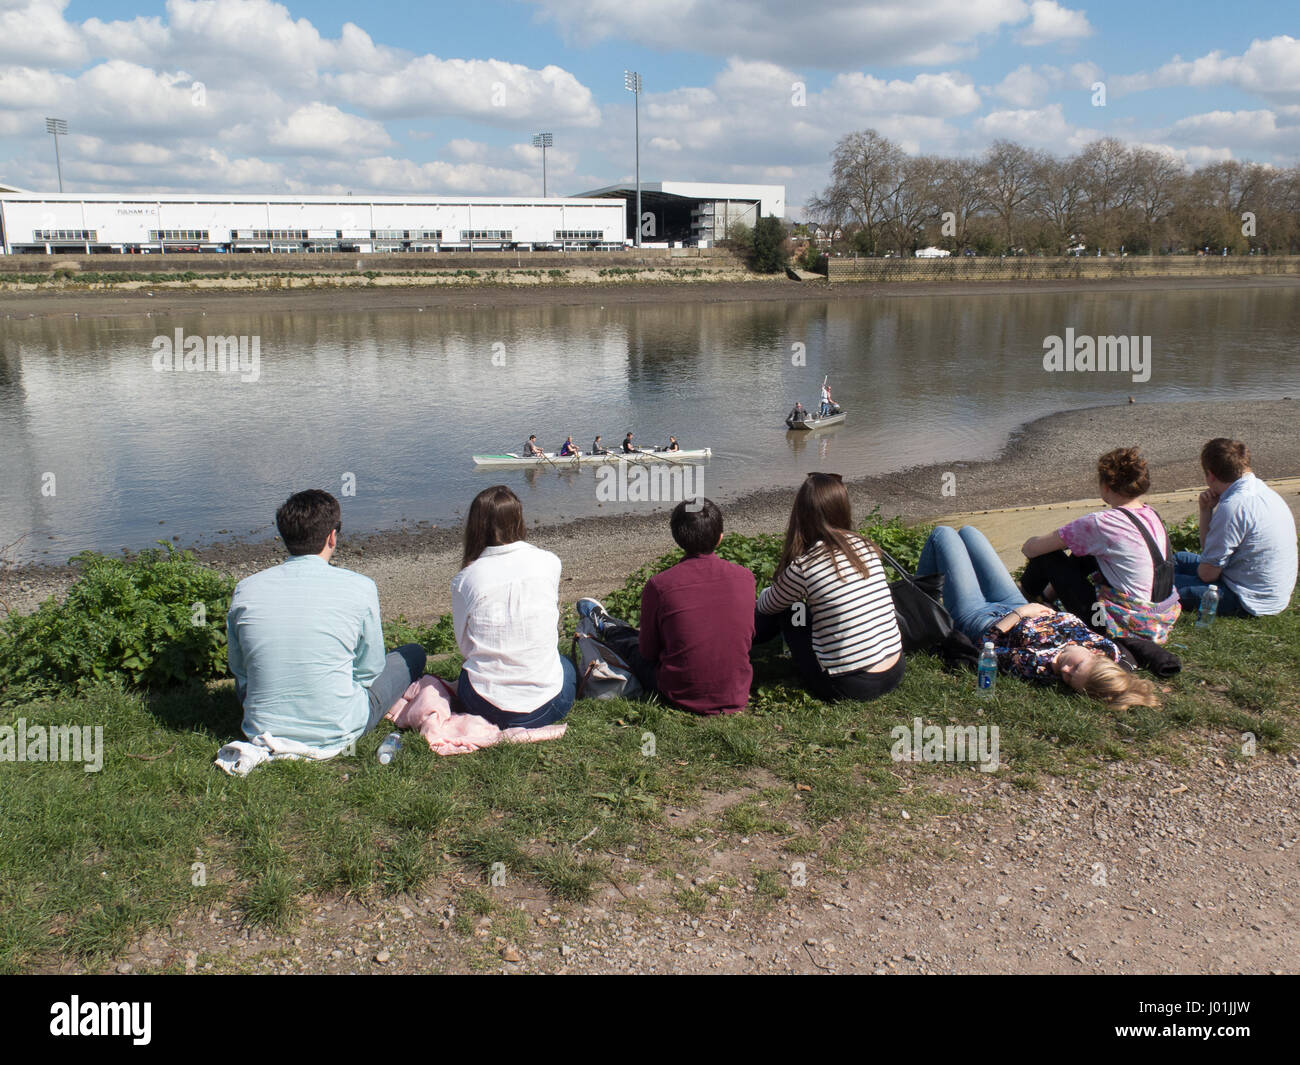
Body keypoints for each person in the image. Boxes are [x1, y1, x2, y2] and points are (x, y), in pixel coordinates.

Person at [227, 490, 426, 750]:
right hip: (340, 728)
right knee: (412, 654)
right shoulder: (360, 587)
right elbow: (370, 668)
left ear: (284, 536)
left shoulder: (246, 588)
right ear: (332, 536)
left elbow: (240, 669)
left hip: (262, 727)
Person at [917, 525, 1159, 710]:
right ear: (1095, 655)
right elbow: (1124, 667)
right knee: (970, 532)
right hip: (1015, 601)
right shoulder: (1107, 650)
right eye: (1075, 666)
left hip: (981, 619)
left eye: (1068, 677)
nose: (1065, 668)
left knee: (943, 534)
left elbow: (985, 649)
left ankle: (916, 607)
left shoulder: (1039, 667)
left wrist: (1021, 613)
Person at [576, 499, 755, 714]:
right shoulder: (745, 577)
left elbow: (648, 652)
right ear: (720, 539)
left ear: (677, 537)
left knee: (630, 643)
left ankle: (607, 625)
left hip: (679, 692)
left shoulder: (660, 585)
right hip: (735, 692)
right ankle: (609, 624)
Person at [753, 473, 904, 702]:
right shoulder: (865, 546)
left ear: (801, 514)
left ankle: (741, 643)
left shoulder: (805, 565)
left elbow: (766, 606)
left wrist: (776, 587)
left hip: (850, 685)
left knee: (790, 609)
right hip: (894, 668)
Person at [1020, 447, 1180, 642]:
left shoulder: (1101, 523)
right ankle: (1044, 598)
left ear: (1106, 486)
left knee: (1048, 556)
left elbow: (1031, 549)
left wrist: (1031, 543)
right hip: (1157, 618)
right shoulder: (1150, 514)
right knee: (1087, 551)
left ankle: (1023, 598)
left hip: (1118, 624)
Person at [451, 485, 576, 728]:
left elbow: (466, 647)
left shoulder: (466, 579)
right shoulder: (550, 562)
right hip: (549, 706)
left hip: (484, 707)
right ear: (519, 521)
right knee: (565, 665)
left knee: (470, 672)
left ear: (475, 526)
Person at [1173, 438, 1297, 617]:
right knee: (1178, 559)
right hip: (1267, 590)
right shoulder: (1263, 491)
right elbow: (1209, 557)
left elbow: (1208, 574)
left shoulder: (1233, 506)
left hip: (1246, 598)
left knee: (1153, 583)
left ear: (1211, 475)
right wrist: (1206, 511)